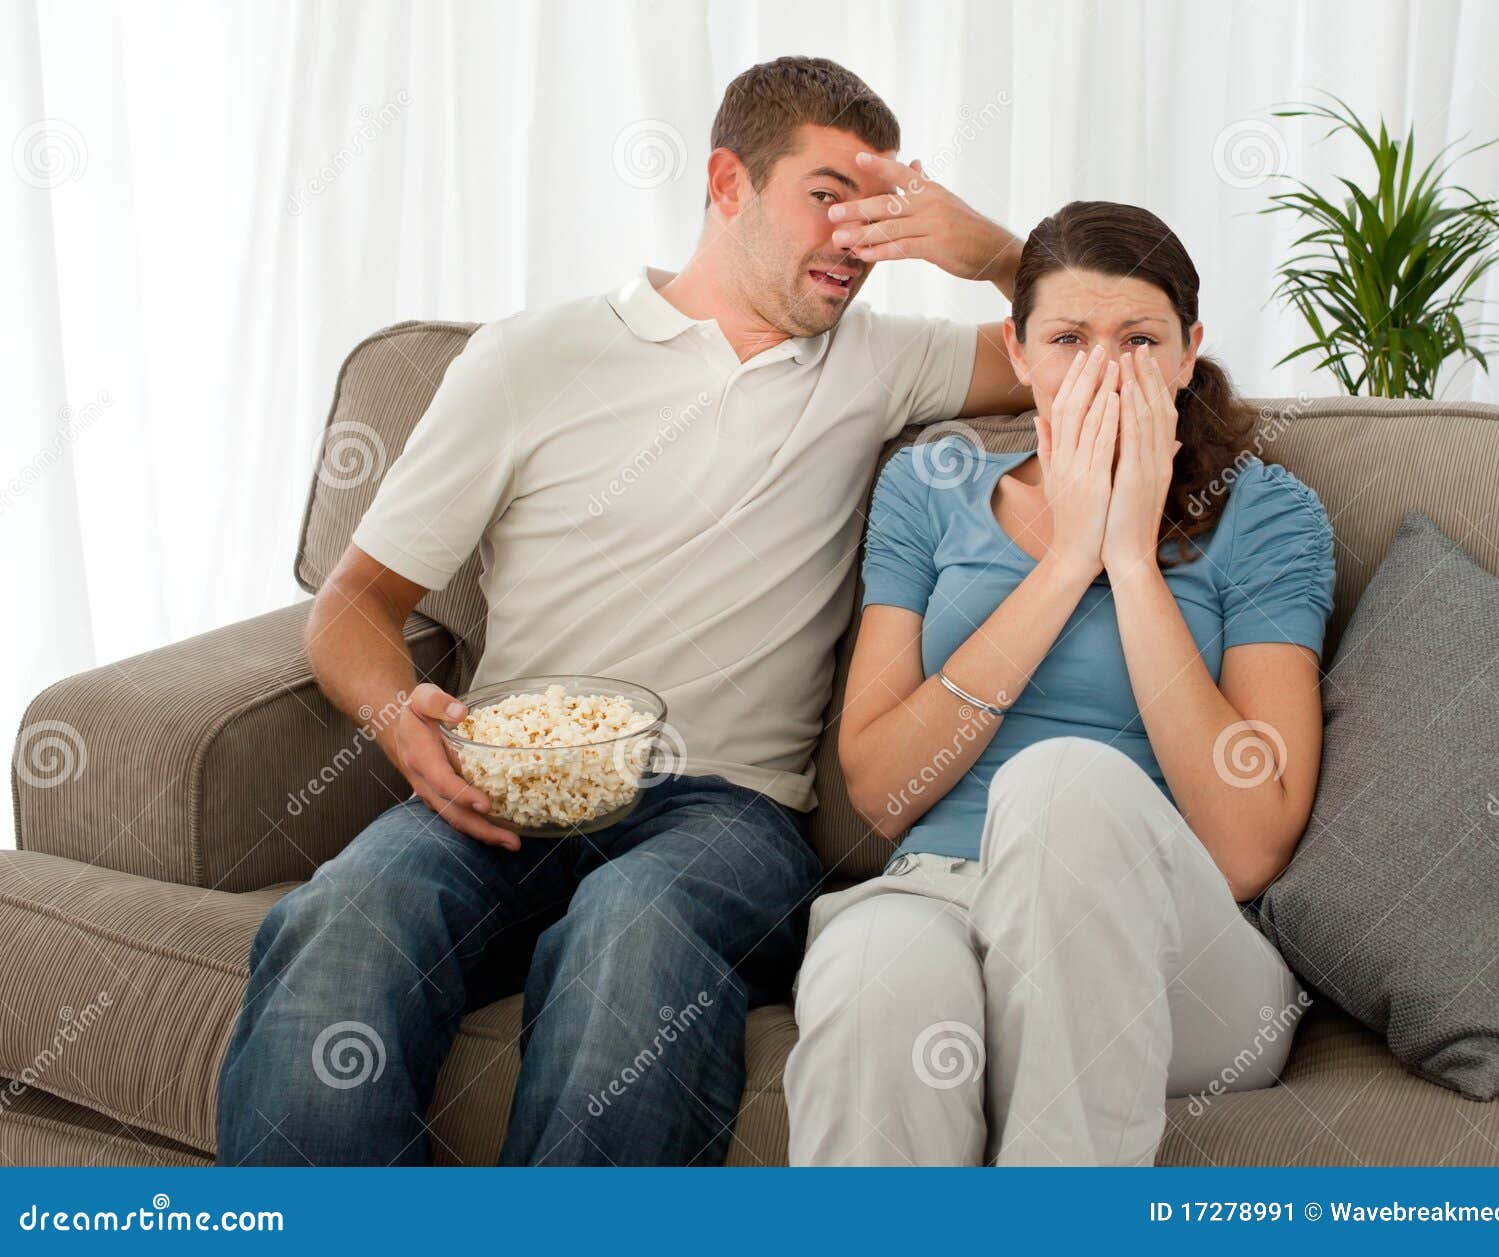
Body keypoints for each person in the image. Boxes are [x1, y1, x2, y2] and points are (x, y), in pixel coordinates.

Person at [214, 56, 1033, 1167]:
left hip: (725, 814)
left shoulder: (882, 362)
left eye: (878, 208)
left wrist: (992, 255)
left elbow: (1107, 338)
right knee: (342, 920)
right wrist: (396, 716)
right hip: (510, 786)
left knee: (632, 930)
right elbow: (356, 601)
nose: (854, 237)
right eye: (827, 196)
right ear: (729, 184)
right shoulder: (530, 357)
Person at [784, 200, 1337, 1166]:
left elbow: (1248, 847)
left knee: (1061, 781)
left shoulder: (1265, 513)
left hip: (1171, 946)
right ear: (1019, 350)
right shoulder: (927, 490)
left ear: (1188, 353)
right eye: (1068, 339)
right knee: (874, 974)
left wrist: (1129, 557)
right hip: (937, 895)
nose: (1104, 370)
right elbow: (883, 791)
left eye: (1141, 340)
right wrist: (1067, 559)